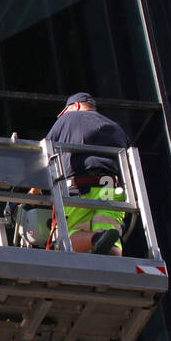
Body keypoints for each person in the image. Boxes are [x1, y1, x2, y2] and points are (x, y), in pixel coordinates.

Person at [44, 92, 129, 255]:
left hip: (81, 188)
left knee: (67, 237)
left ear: (75, 106)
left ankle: (96, 239)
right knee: (108, 230)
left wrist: (35, 190)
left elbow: (43, 154)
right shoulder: (117, 128)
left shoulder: (67, 119)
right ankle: (110, 257)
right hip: (111, 188)